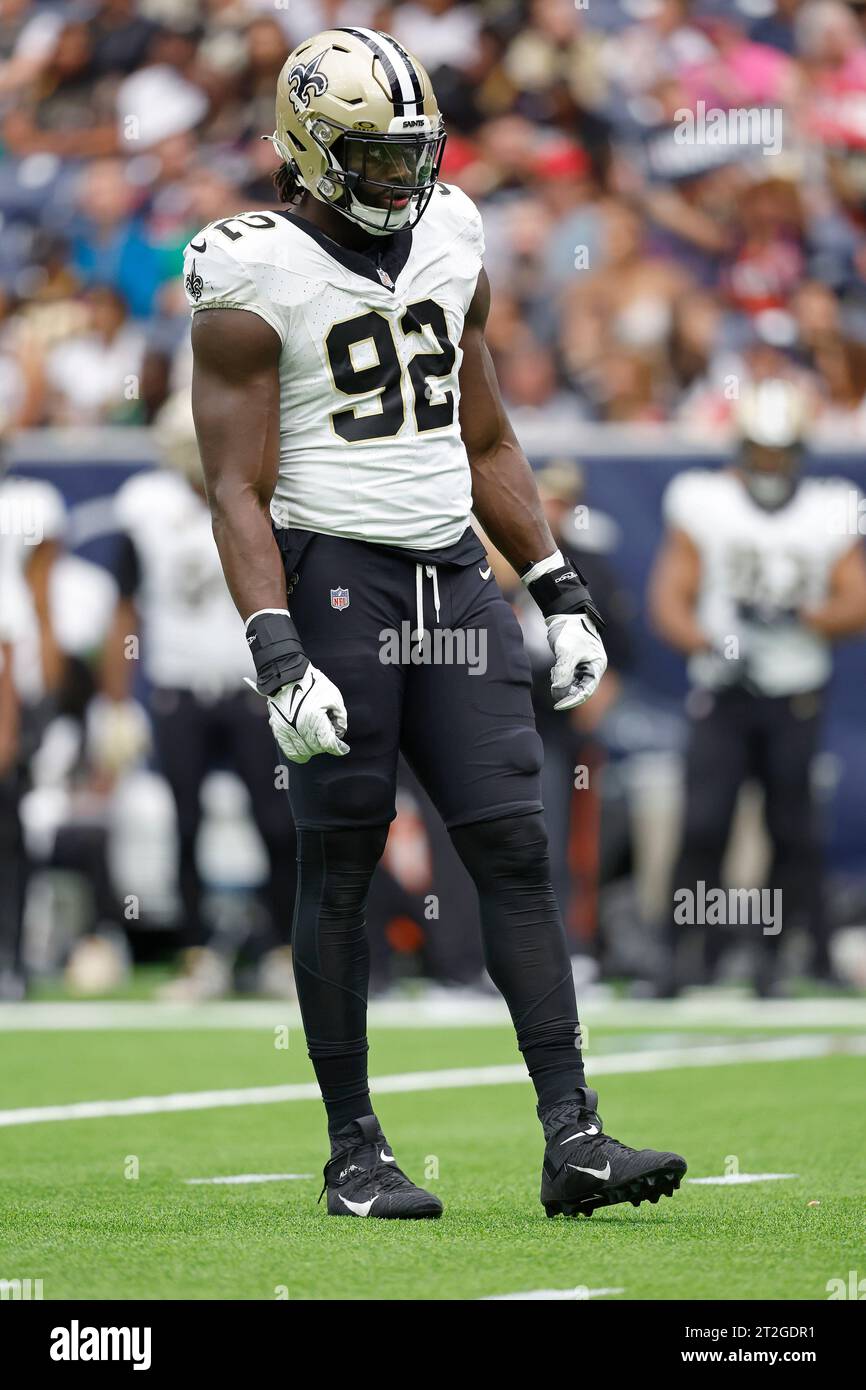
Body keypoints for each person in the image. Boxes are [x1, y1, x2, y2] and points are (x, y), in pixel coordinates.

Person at [184, 26, 686, 1220]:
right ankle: (352, 1151)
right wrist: (277, 646)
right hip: (336, 577)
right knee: (345, 860)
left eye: (411, 150)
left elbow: (487, 435)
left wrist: (554, 584)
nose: (398, 176)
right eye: (369, 154)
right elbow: (235, 486)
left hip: (455, 579)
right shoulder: (249, 272)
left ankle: (575, 1137)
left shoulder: (455, 231)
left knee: (511, 843)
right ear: (308, 151)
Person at [650, 378, 866, 995]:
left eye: (781, 450)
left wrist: (802, 616)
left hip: (795, 689)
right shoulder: (703, 499)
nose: (770, 463)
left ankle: (774, 958)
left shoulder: (831, 505)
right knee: (702, 826)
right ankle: (679, 953)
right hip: (724, 688)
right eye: (761, 450)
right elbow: (669, 598)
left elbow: (856, 600)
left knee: (791, 829)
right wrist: (711, 643)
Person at [100, 391, 297, 1000]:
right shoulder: (145, 505)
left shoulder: (258, 494)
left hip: (250, 686)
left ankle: (282, 951)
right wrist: (114, 703)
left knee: (276, 821)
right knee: (181, 823)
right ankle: (195, 956)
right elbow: (124, 608)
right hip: (177, 687)